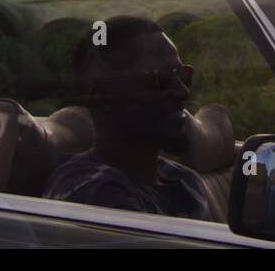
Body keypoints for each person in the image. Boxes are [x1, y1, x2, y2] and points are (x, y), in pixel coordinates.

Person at [42, 16, 213, 220]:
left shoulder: (185, 180)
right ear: (103, 97)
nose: (182, 91)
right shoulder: (90, 190)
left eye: (182, 75)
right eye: (161, 80)